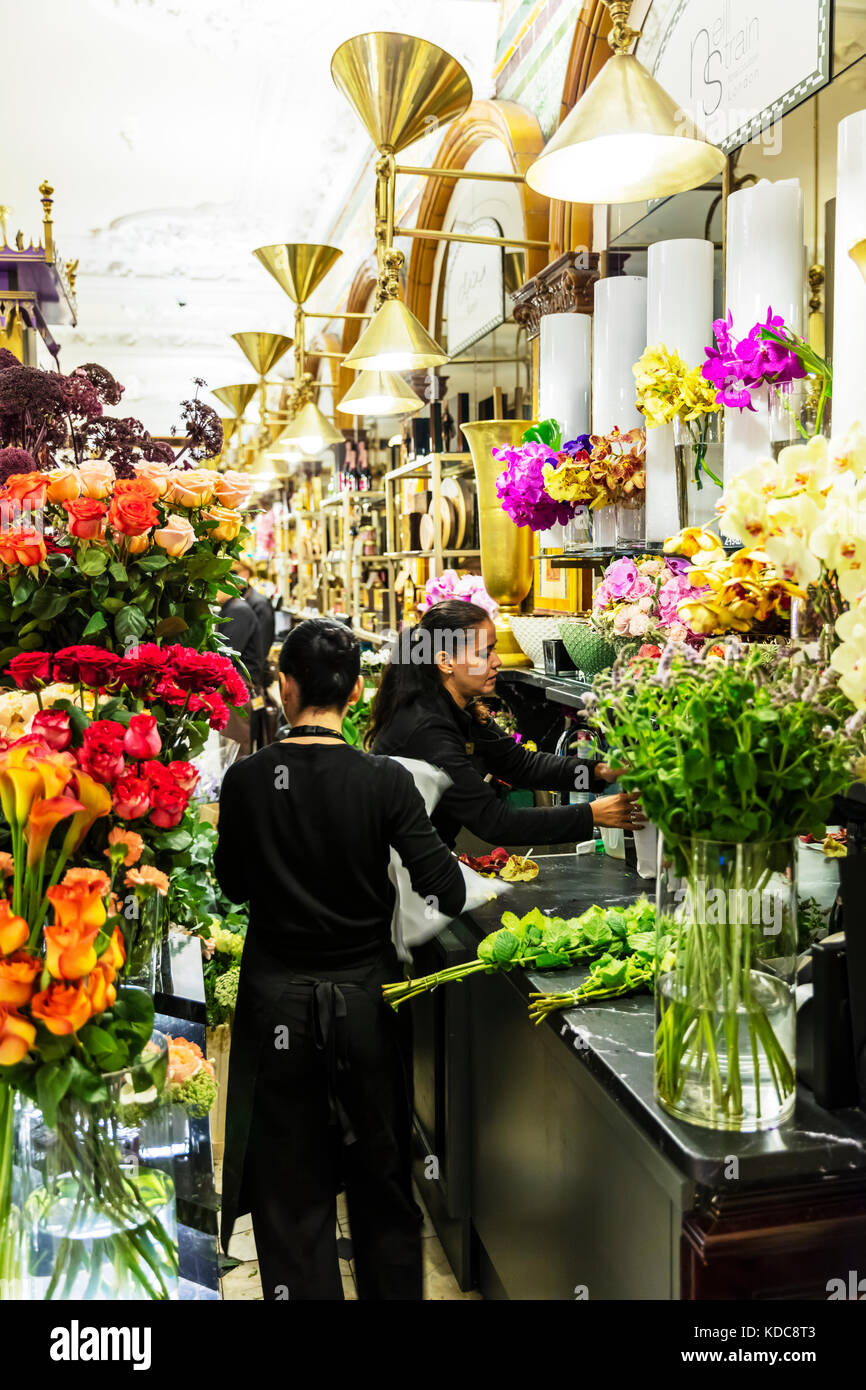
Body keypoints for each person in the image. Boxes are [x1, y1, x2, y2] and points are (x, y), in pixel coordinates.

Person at [214, 619, 466, 1301]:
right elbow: (448, 885)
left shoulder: (247, 782)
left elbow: (234, 886)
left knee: (292, 1197)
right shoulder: (384, 781)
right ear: (355, 691)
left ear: (284, 687)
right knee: (382, 1185)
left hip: (278, 1009)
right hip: (366, 1006)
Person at [368, 600, 643, 847]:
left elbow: (519, 764)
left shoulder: (458, 707)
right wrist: (592, 815)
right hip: (395, 879)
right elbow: (494, 822)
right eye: (484, 653)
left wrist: (600, 771)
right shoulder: (427, 728)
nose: (497, 661)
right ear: (445, 661)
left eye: (494, 650)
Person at [215, 587, 266, 756]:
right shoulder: (234, 608)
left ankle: (237, 782)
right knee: (232, 744)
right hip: (237, 685)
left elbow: (226, 655)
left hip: (238, 686)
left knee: (234, 746)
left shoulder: (238, 611)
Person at [233, 559, 276, 655]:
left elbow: (262, 643)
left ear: (246, 574)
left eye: (234, 573)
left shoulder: (259, 604)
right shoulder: (238, 599)